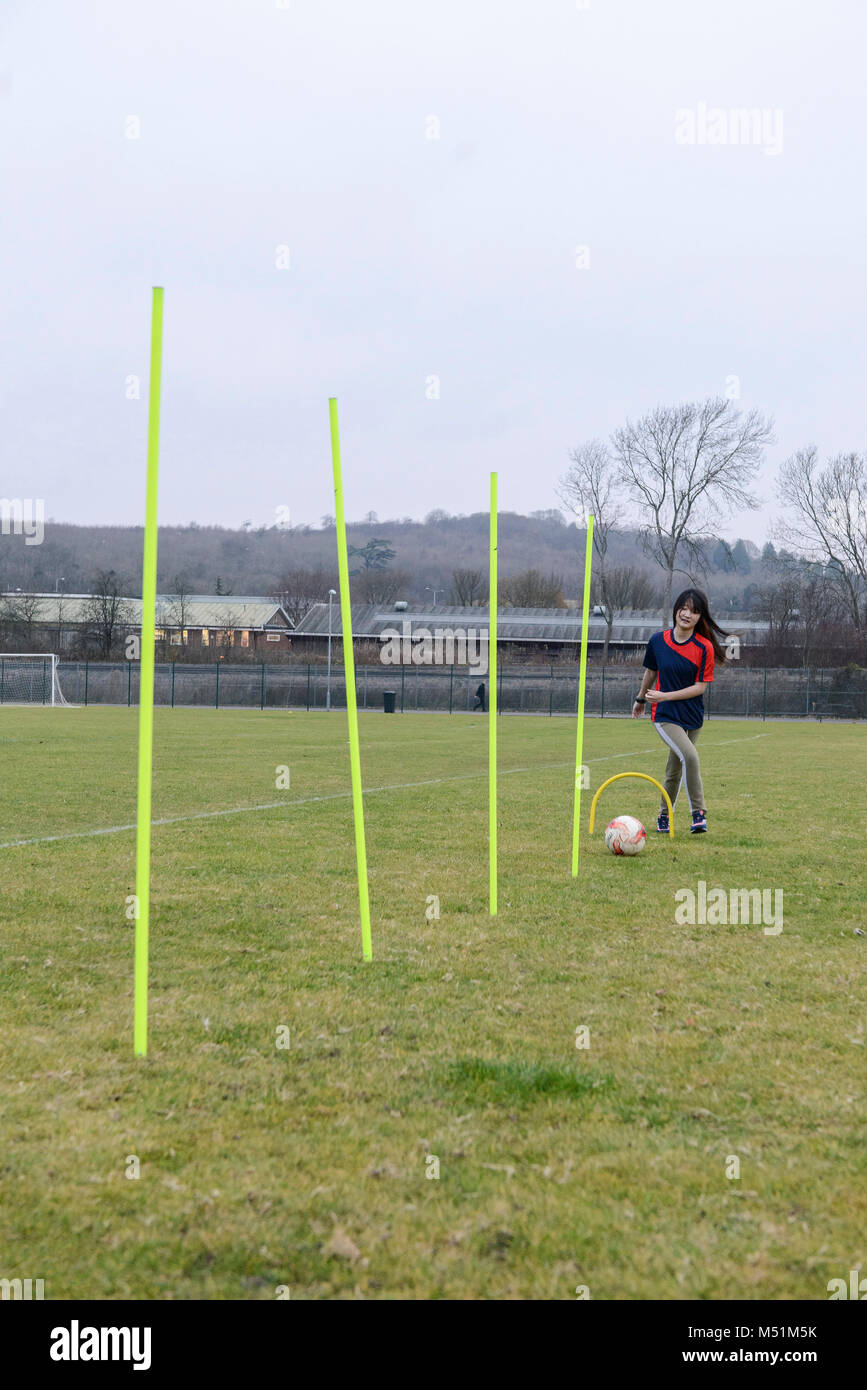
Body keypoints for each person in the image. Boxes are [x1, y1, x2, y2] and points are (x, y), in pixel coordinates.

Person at [631, 588, 729, 834]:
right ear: (676, 609)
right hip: (664, 715)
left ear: (700, 617)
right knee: (691, 757)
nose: (687, 614)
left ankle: (664, 816)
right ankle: (699, 814)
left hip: (692, 716)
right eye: (683, 608)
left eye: (694, 611)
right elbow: (651, 672)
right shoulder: (657, 641)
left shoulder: (704, 647)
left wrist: (665, 694)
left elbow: (700, 688)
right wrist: (641, 698)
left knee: (674, 768)